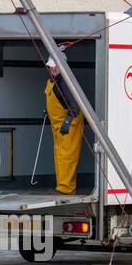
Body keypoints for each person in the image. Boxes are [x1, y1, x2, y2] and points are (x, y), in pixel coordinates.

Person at [44, 55, 84, 195]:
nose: (54, 68)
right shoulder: (52, 81)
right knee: (59, 155)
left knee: (67, 156)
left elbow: (75, 105)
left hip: (69, 124)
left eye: (57, 66)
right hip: (57, 124)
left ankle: (66, 188)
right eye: (51, 66)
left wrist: (67, 123)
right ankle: (61, 185)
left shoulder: (65, 83)